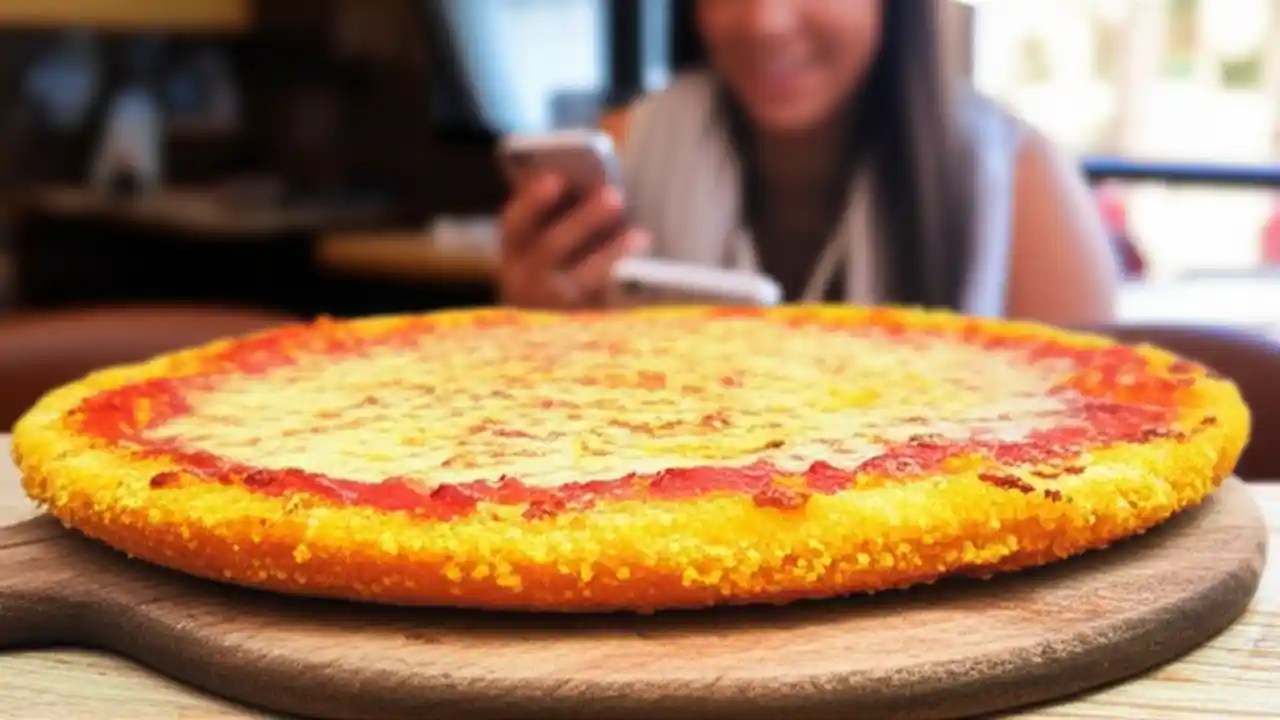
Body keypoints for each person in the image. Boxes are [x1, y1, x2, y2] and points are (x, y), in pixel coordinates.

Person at [498, 0, 1119, 326]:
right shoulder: (629, 146)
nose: (765, 21)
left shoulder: (1021, 184)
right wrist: (535, 340)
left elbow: (1091, 448)